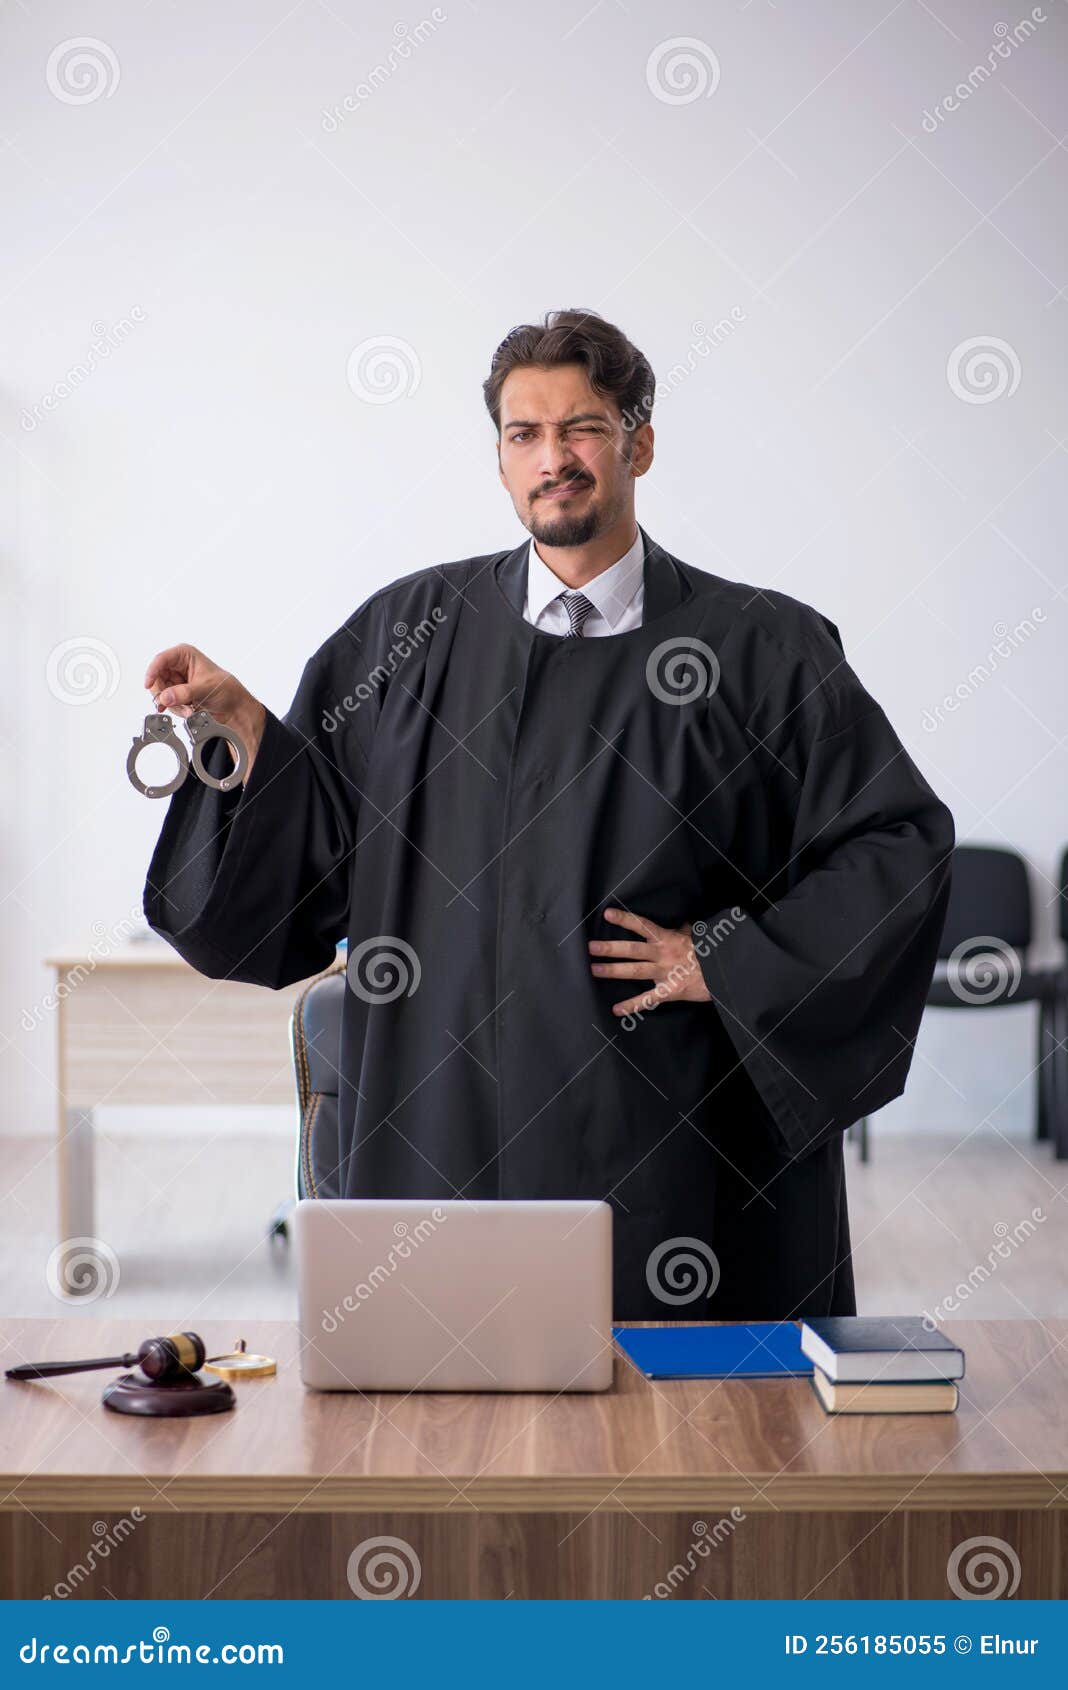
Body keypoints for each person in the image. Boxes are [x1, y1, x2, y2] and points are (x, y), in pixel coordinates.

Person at [142, 308, 954, 1320]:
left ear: (638, 443)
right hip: (440, 1125)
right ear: (499, 459)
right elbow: (320, 844)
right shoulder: (406, 638)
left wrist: (730, 954)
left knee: (680, 1435)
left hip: (669, 1127)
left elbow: (894, 843)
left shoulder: (761, 650)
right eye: (525, 434)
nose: (553, 457)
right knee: (451, 1421)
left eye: (582, 428)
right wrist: (248, 735)